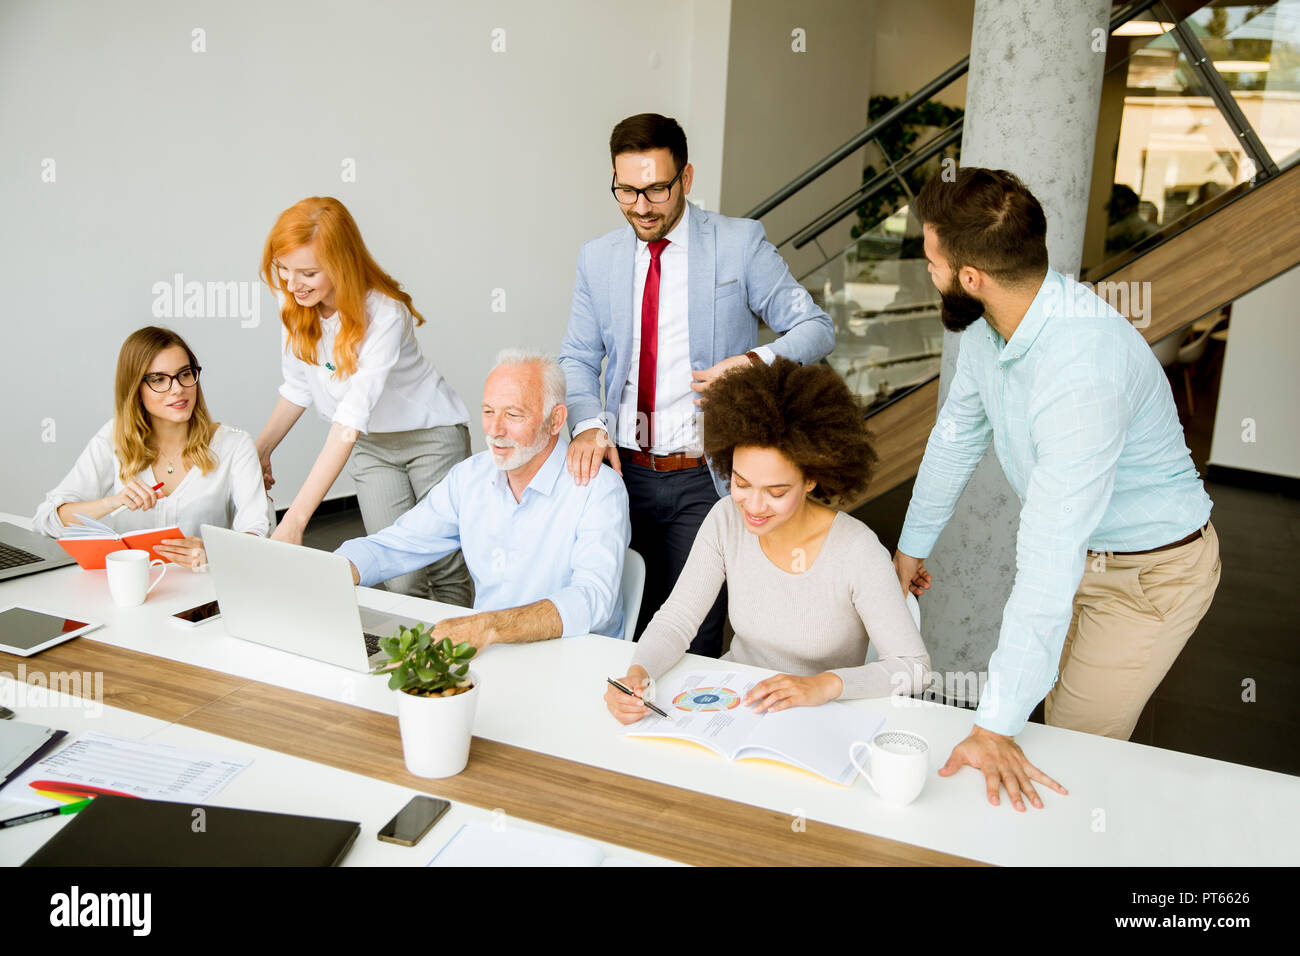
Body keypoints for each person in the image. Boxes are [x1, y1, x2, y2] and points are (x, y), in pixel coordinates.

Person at [894, 167, 1220, 811]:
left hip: (1149, 577)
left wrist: (990, 726)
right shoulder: (993, 328)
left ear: (971, 278)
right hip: (1087, 558)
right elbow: (957, 433)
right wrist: (912, 545)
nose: (926, 274)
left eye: (931, 262)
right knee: (1041, 722)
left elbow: (1048, 557)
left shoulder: (1082, 370)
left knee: (1069, 752)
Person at [560, 113, 835, 659]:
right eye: (626, 191)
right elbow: (577, 356)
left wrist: (754, 361)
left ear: (685, 179)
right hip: (622, 472)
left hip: (702, 478)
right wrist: (589, 425)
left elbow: (816, 328)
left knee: (695, 633)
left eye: (656, 189)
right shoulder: (598, 258)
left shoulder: (737, 243)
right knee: (617, 620)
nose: (641, 206)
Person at [605, 358, 929, 724]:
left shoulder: (857, 550)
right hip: (732, 705)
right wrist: (638, 673)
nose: (754, 507)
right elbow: (677, 620)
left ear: (811, 479)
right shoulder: (726, 518)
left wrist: (824, 685)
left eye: (776, 491)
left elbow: (913, 667)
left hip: (819, 719)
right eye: (742, 483)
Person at [254, 196, 474, 606]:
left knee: (445, 565)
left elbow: (349, 419)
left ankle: (455, 662)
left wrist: (296, 519)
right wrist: (261, 452)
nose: (291, 283)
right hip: (373, 447)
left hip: (431, 438)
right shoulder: (296, 305)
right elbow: (298, 387)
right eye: (282, 269)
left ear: (340, 263)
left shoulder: (385, 313)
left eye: (308, 272)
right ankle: (414, 658)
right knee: (399, 576)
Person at [336, 349, 630, 649]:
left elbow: (593, 599)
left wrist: (491, 626)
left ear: (555, 421)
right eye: (488, 412)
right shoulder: (470, 477)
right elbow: (397, 544)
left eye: (513, 415)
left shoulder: (598, 489)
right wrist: (332, 570)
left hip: (576, 657)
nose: (495, 430)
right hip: (492, 652)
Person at [34, 327, 268, 566]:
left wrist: (215, 552)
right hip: (133, 595)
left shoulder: (234, 445)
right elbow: (47, 519)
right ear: (135, 389)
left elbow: (257, 532)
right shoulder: (114, 438)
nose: (178, 388)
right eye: (159, 379)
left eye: (185, 374)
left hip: (205, 596)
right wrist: (113, 502)